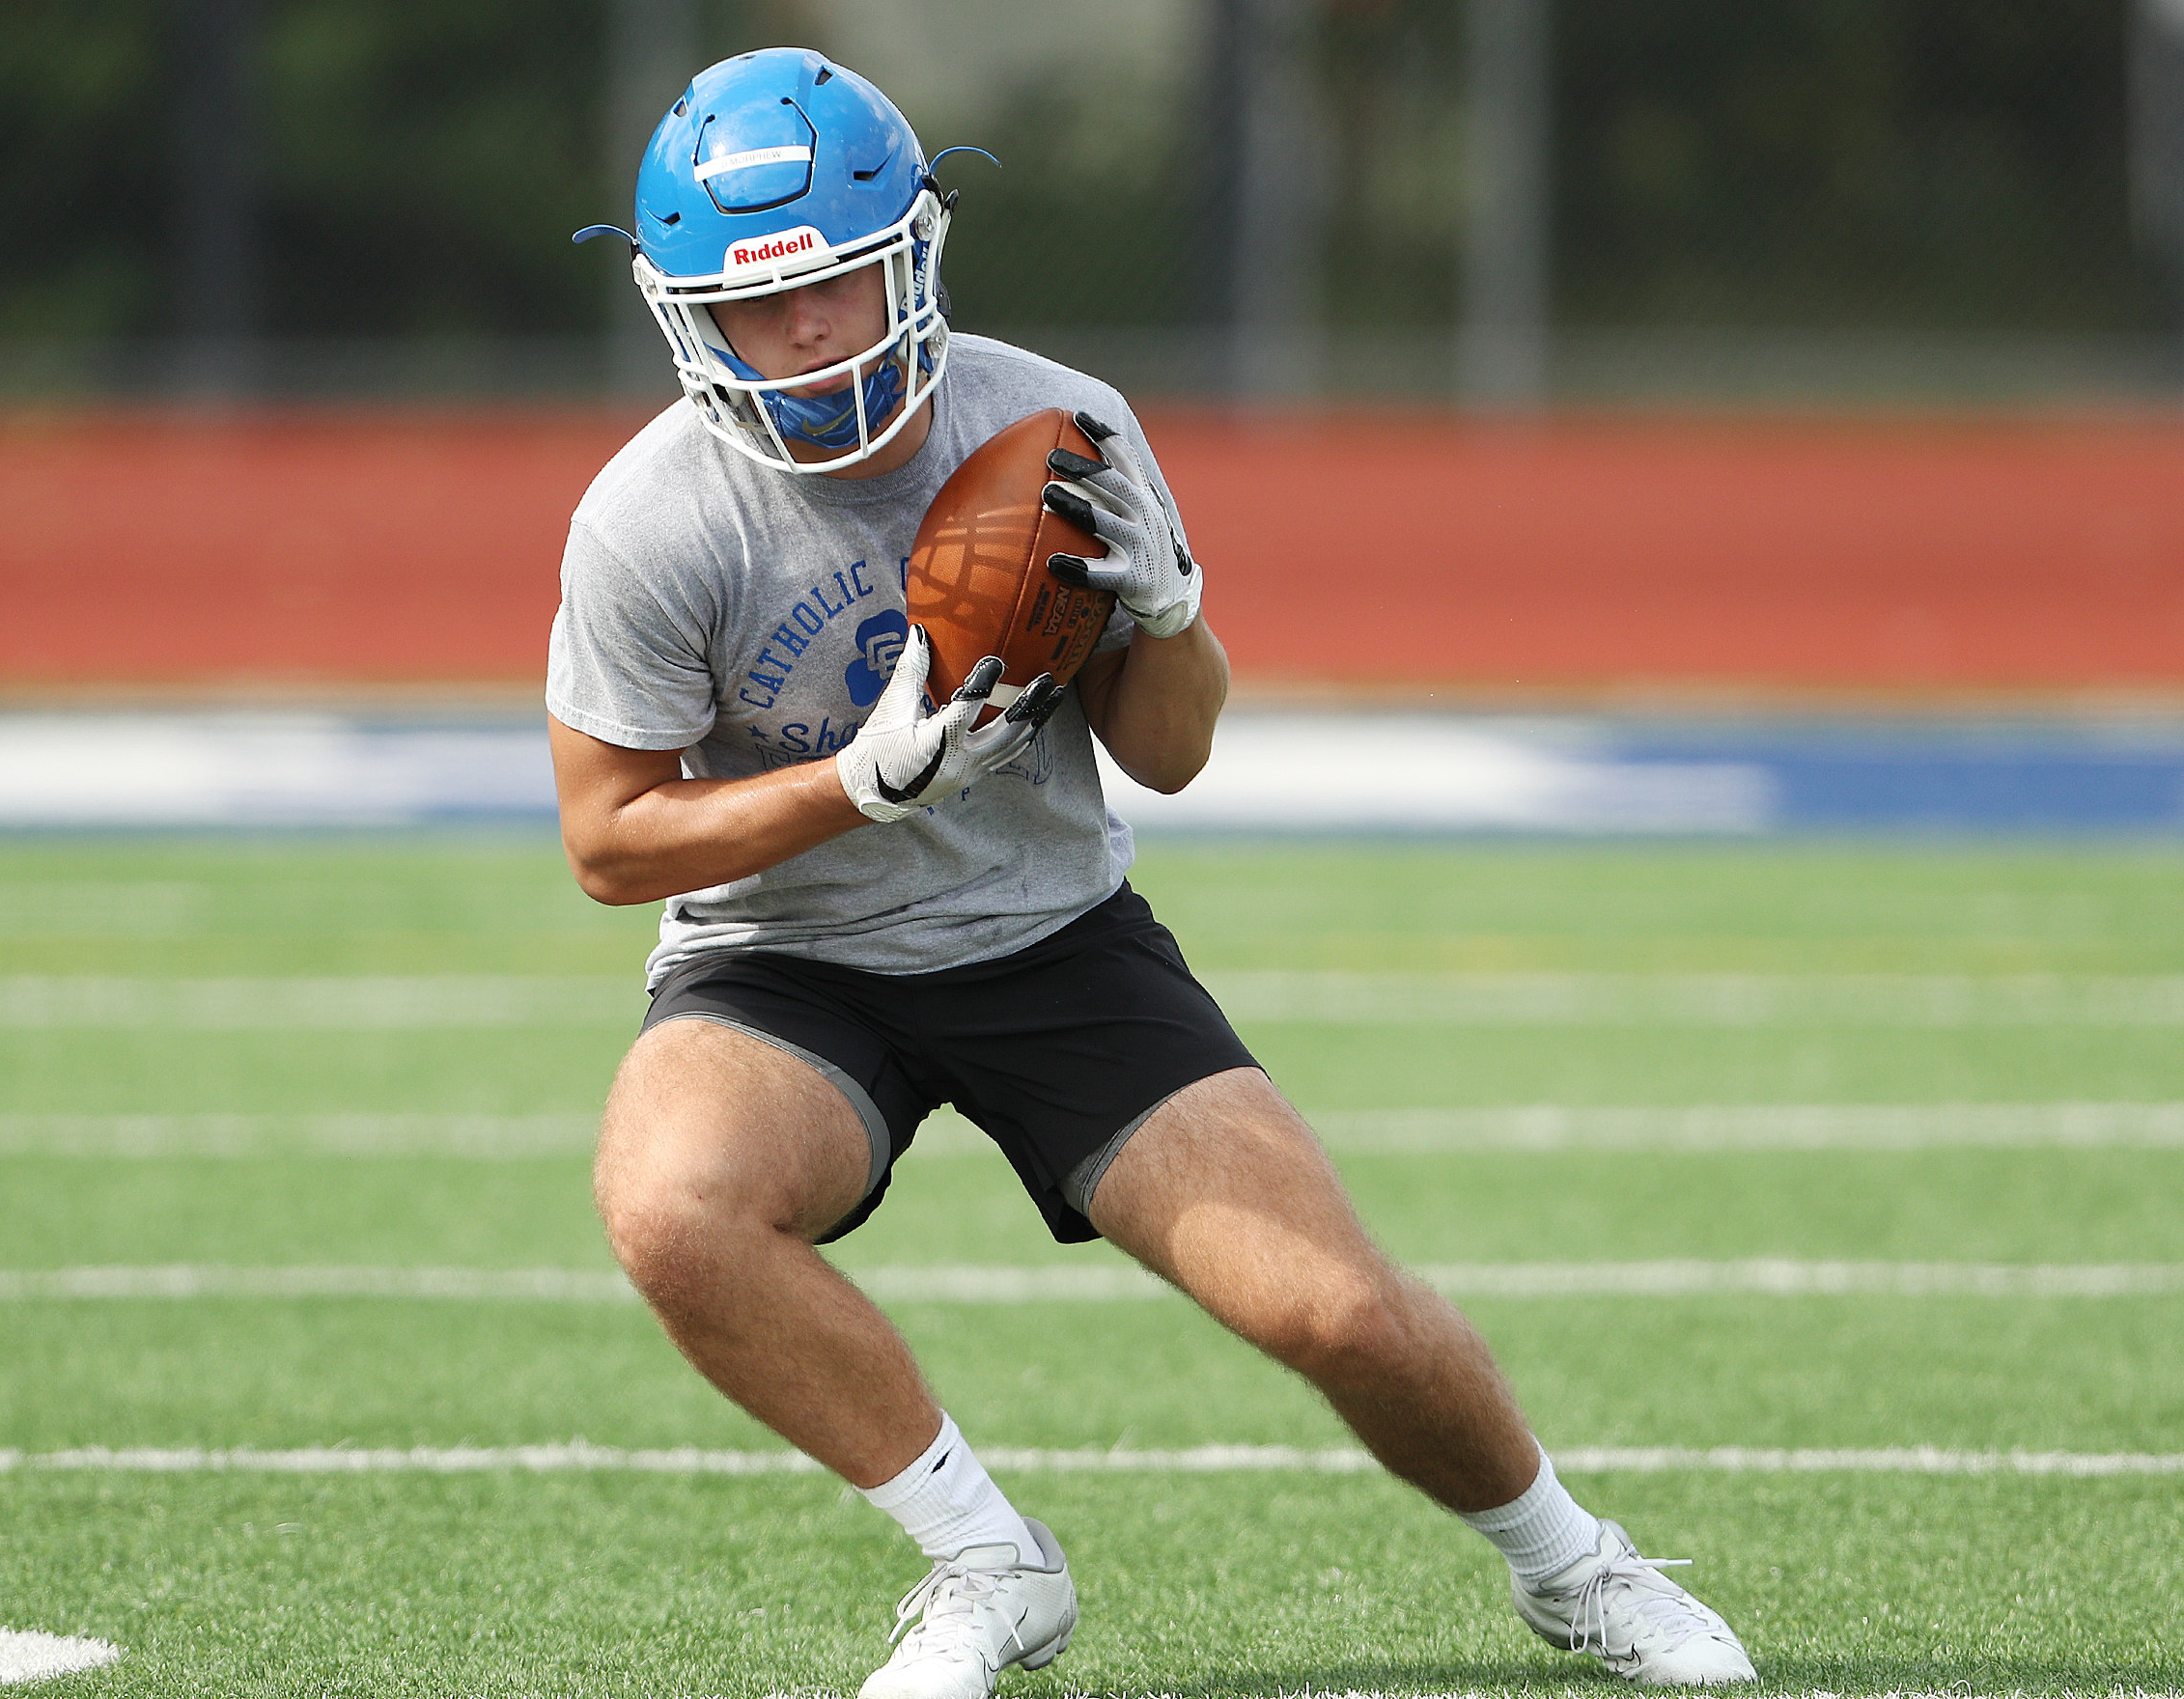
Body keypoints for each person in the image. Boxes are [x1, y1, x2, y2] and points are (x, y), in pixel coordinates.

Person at [551, 46, 1756, 1699]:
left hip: (1050, 934)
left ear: (910, 257)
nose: (808, 336)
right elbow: (610, 842)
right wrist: (856, 784)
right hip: (788, 959)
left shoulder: (1057, 428)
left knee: (1336, 1312)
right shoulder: (650, 518)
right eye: (759, 308)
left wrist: (1177, 616)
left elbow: (1170, 752)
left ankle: (1577, 1569)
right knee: (671, 1206)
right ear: (685, 312)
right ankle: (988, 1567)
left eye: (834, 284)